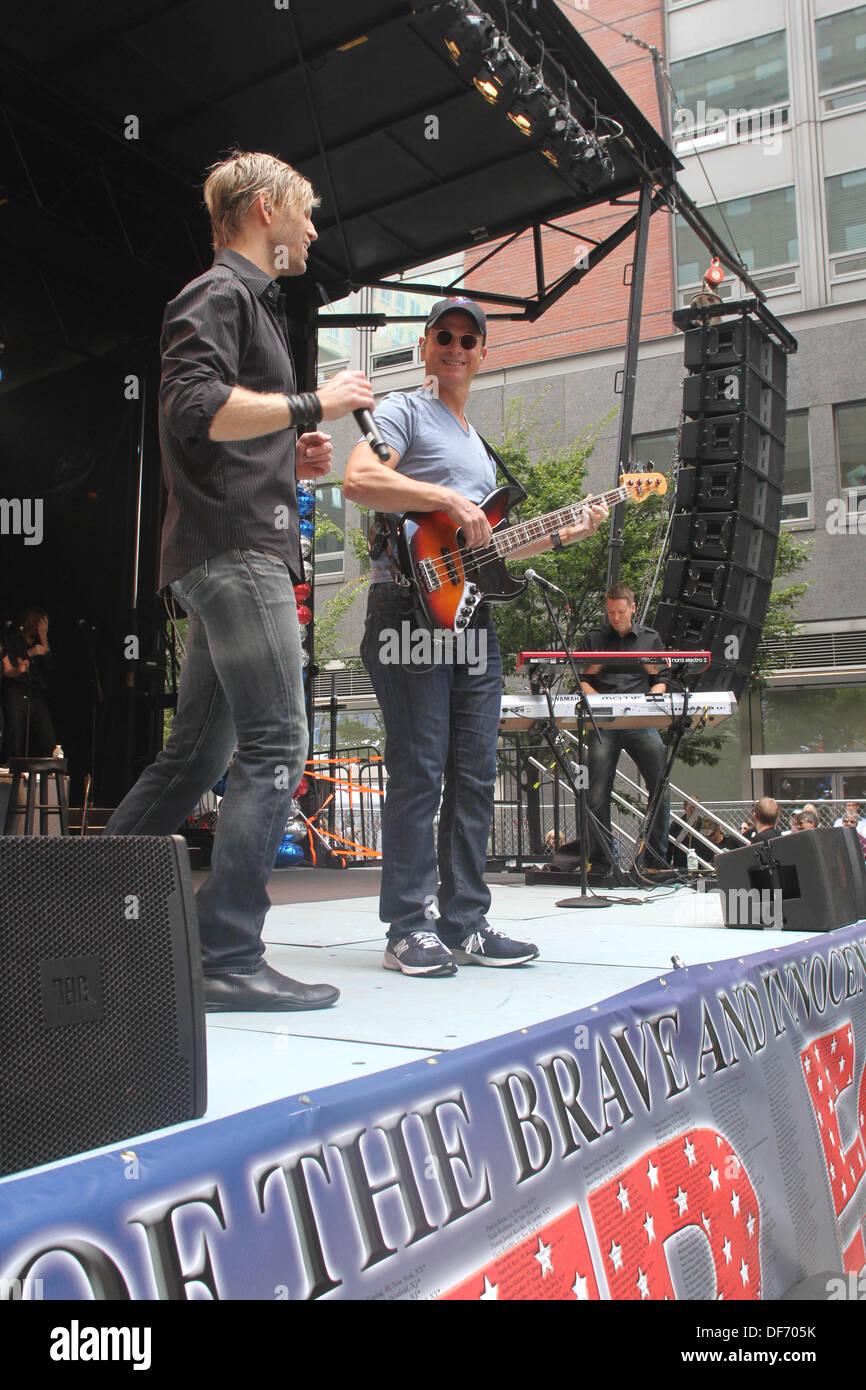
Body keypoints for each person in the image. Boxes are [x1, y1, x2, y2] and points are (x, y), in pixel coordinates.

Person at [104, 150, 376, 1012]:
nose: (311, 229)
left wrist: (285, 452)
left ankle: (77, 904)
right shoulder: (217, 294)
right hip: (236, 554)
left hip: (227, 547)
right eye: (305, 213)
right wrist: (309, 406)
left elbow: (216, 425)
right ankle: (226, 954)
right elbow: (192, 407)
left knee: (197, 755)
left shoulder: (243, 303)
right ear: (264, 208)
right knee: (274, 747)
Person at [343, 297, 608, 976]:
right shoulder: (404, 410)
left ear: (484, 355)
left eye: (469, 340)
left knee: (474, 773)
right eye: (445, 336)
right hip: (406, 610)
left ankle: (466, 921)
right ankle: (408, 925)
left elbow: (479, 558)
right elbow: (360, 478)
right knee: (421, 767)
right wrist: (446, 500)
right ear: (428, 347)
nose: (457, 347)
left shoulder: (481, 452)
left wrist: (556, 532)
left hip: (469, 621)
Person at [579, 584, 670, 875]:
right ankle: (603, 861)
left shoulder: (650, 639)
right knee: (597, 793)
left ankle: (655, 860)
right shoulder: (594, 639)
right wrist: (598, 701)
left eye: (620, 612)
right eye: (610, 612)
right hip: (603, 721)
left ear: (633, 607)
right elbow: (581, 679)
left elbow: (663, 677)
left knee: (659, 787)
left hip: (640, 720)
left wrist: (654, 695)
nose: (616, 618)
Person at [1, 606, 58, 757]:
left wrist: (44, 638)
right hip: (16, 691)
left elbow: (50, 666)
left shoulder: (40, 642)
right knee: (15, 736)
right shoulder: (12, 640)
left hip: (36, 692)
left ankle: (53, 769)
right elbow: (9, 668)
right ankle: (13, 770)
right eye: (36, 621)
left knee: (47, 735)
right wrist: (29, 653)